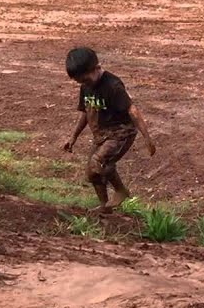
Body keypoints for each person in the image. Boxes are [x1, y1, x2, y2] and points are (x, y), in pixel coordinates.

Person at [62, 47, 157, 213]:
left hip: (121, 132)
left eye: (86, 79)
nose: (84, 83)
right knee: (92, 173)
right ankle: (104, 206)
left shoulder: (113, 86)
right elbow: (86, 112)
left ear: (97, 68)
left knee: (98, 163)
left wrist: (147, 138)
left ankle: (120, 191)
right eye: (80, 81)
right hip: (102, 135)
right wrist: (73, 137)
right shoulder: (86, 87)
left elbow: (133, 111)